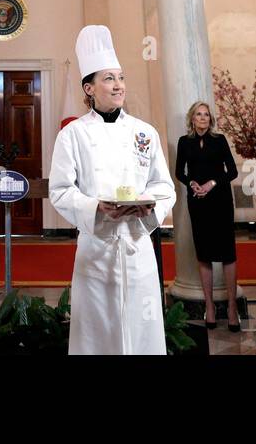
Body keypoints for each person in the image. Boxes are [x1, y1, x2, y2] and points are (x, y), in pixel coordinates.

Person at [49, 25, 175, 355]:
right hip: (96, 251)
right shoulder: (72, 135)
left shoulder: (144, 132)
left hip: (137, 247)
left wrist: (151, 206)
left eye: (120, 77)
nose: (118, 85)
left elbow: (163, 185)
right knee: (96, 335)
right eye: (108, 78)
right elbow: (60, 190)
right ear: (89, 88)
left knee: (142, 332)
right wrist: (96, 208)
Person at [174, 101, 240, 331]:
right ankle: (209, 307)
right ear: (192, 118)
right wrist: (191, 183)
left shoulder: (219, 140)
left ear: (210, 119)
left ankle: (232, 308)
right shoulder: (185, 142)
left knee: (227, 253)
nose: (203, 118)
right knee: (204, 253)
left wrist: (212, 183)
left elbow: (232, 171)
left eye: (206, 115)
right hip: (198, 202)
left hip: (220, 201)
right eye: (198, 114)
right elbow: (179, 172)